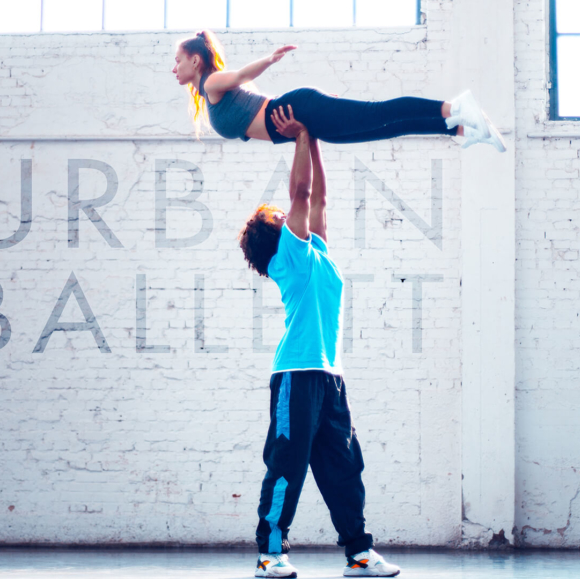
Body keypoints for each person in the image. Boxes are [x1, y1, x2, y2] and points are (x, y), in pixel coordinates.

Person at [237, 107, 403, 578]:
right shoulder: (288, 256)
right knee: (287, 465)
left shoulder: (316, 253)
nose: (294, 214)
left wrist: (319, 142)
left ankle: (359, 554)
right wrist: (301, 136)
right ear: (277, 230)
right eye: (284, 215)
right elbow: (302, 192)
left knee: (344, 467)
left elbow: (319, 200)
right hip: (296, 374)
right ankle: (270, 553)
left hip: (330, 376)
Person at [173, 29, 505, 151]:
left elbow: (241, 75)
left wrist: (270, 60)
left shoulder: (210, 84)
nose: (174, 68)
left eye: (178, 61)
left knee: (379, 113)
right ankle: (464, 127)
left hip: (299, 110)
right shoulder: (208, 93)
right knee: (387, 128)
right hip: (304, 122)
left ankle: (454, 107)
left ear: (197, 61)